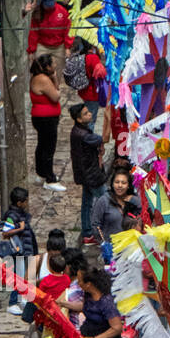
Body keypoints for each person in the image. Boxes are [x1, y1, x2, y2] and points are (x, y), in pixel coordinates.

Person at [74, 267, 125, 338]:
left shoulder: (106, 302)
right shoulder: (88, 295)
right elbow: (85, 308)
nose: (78, 284)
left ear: (88, 284)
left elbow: (116, 328)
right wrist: (63, 304)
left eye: (79, 281)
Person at [68, 103, 106, 242]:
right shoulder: (83, 135)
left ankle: (87, 233)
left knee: (87, 203)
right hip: (91, 175)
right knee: (106, 200)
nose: (89, 114)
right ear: (79, 119)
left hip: (86, 174)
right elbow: (99, 139)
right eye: (85, 114)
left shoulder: (79, 131)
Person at [29, 55, 64, 190]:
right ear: (47, 67)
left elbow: (54, 88)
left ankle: (41, 173)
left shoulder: (41, 78)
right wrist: (55, 83)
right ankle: (50, 179)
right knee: (48, 148)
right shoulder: (43, 79)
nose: (55, 65)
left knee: (42, 145)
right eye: (53, 63)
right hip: (46, 119)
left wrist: (54, 78)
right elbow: (56, 96)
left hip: (43, 117)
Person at [89, 169, 134, 251]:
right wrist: (104, 244)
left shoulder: (133, 201)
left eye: (123, 183)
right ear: (112, 184)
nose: (120, 185)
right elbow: (95, 224)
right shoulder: (103, 201)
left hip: (130, 249)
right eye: (117, 182)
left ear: (128, 185)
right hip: (111, 249)